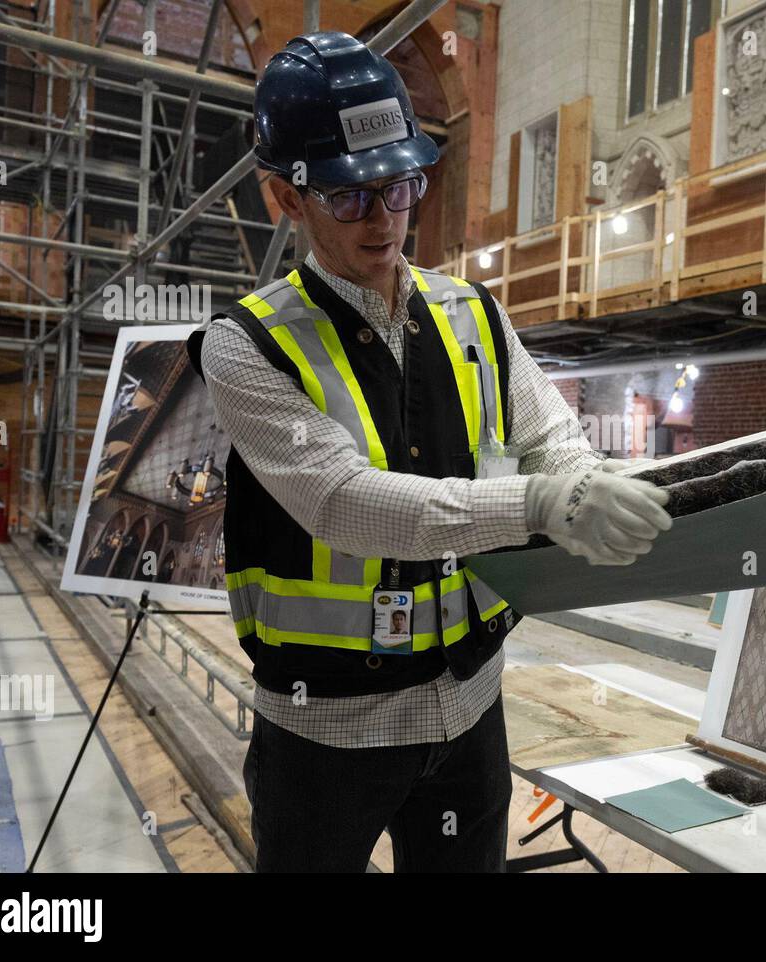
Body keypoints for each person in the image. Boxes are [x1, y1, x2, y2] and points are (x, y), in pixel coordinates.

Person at [185, 31, 671, 873]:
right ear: (282, 199)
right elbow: (345, 501)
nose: (386, 219)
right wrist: (538, 506)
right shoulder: (246, 347)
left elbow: (549, 434)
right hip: (324, 731)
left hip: (468, 709)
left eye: (402, 186)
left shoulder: (474, 315)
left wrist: (589, 483)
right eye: (349, 198)